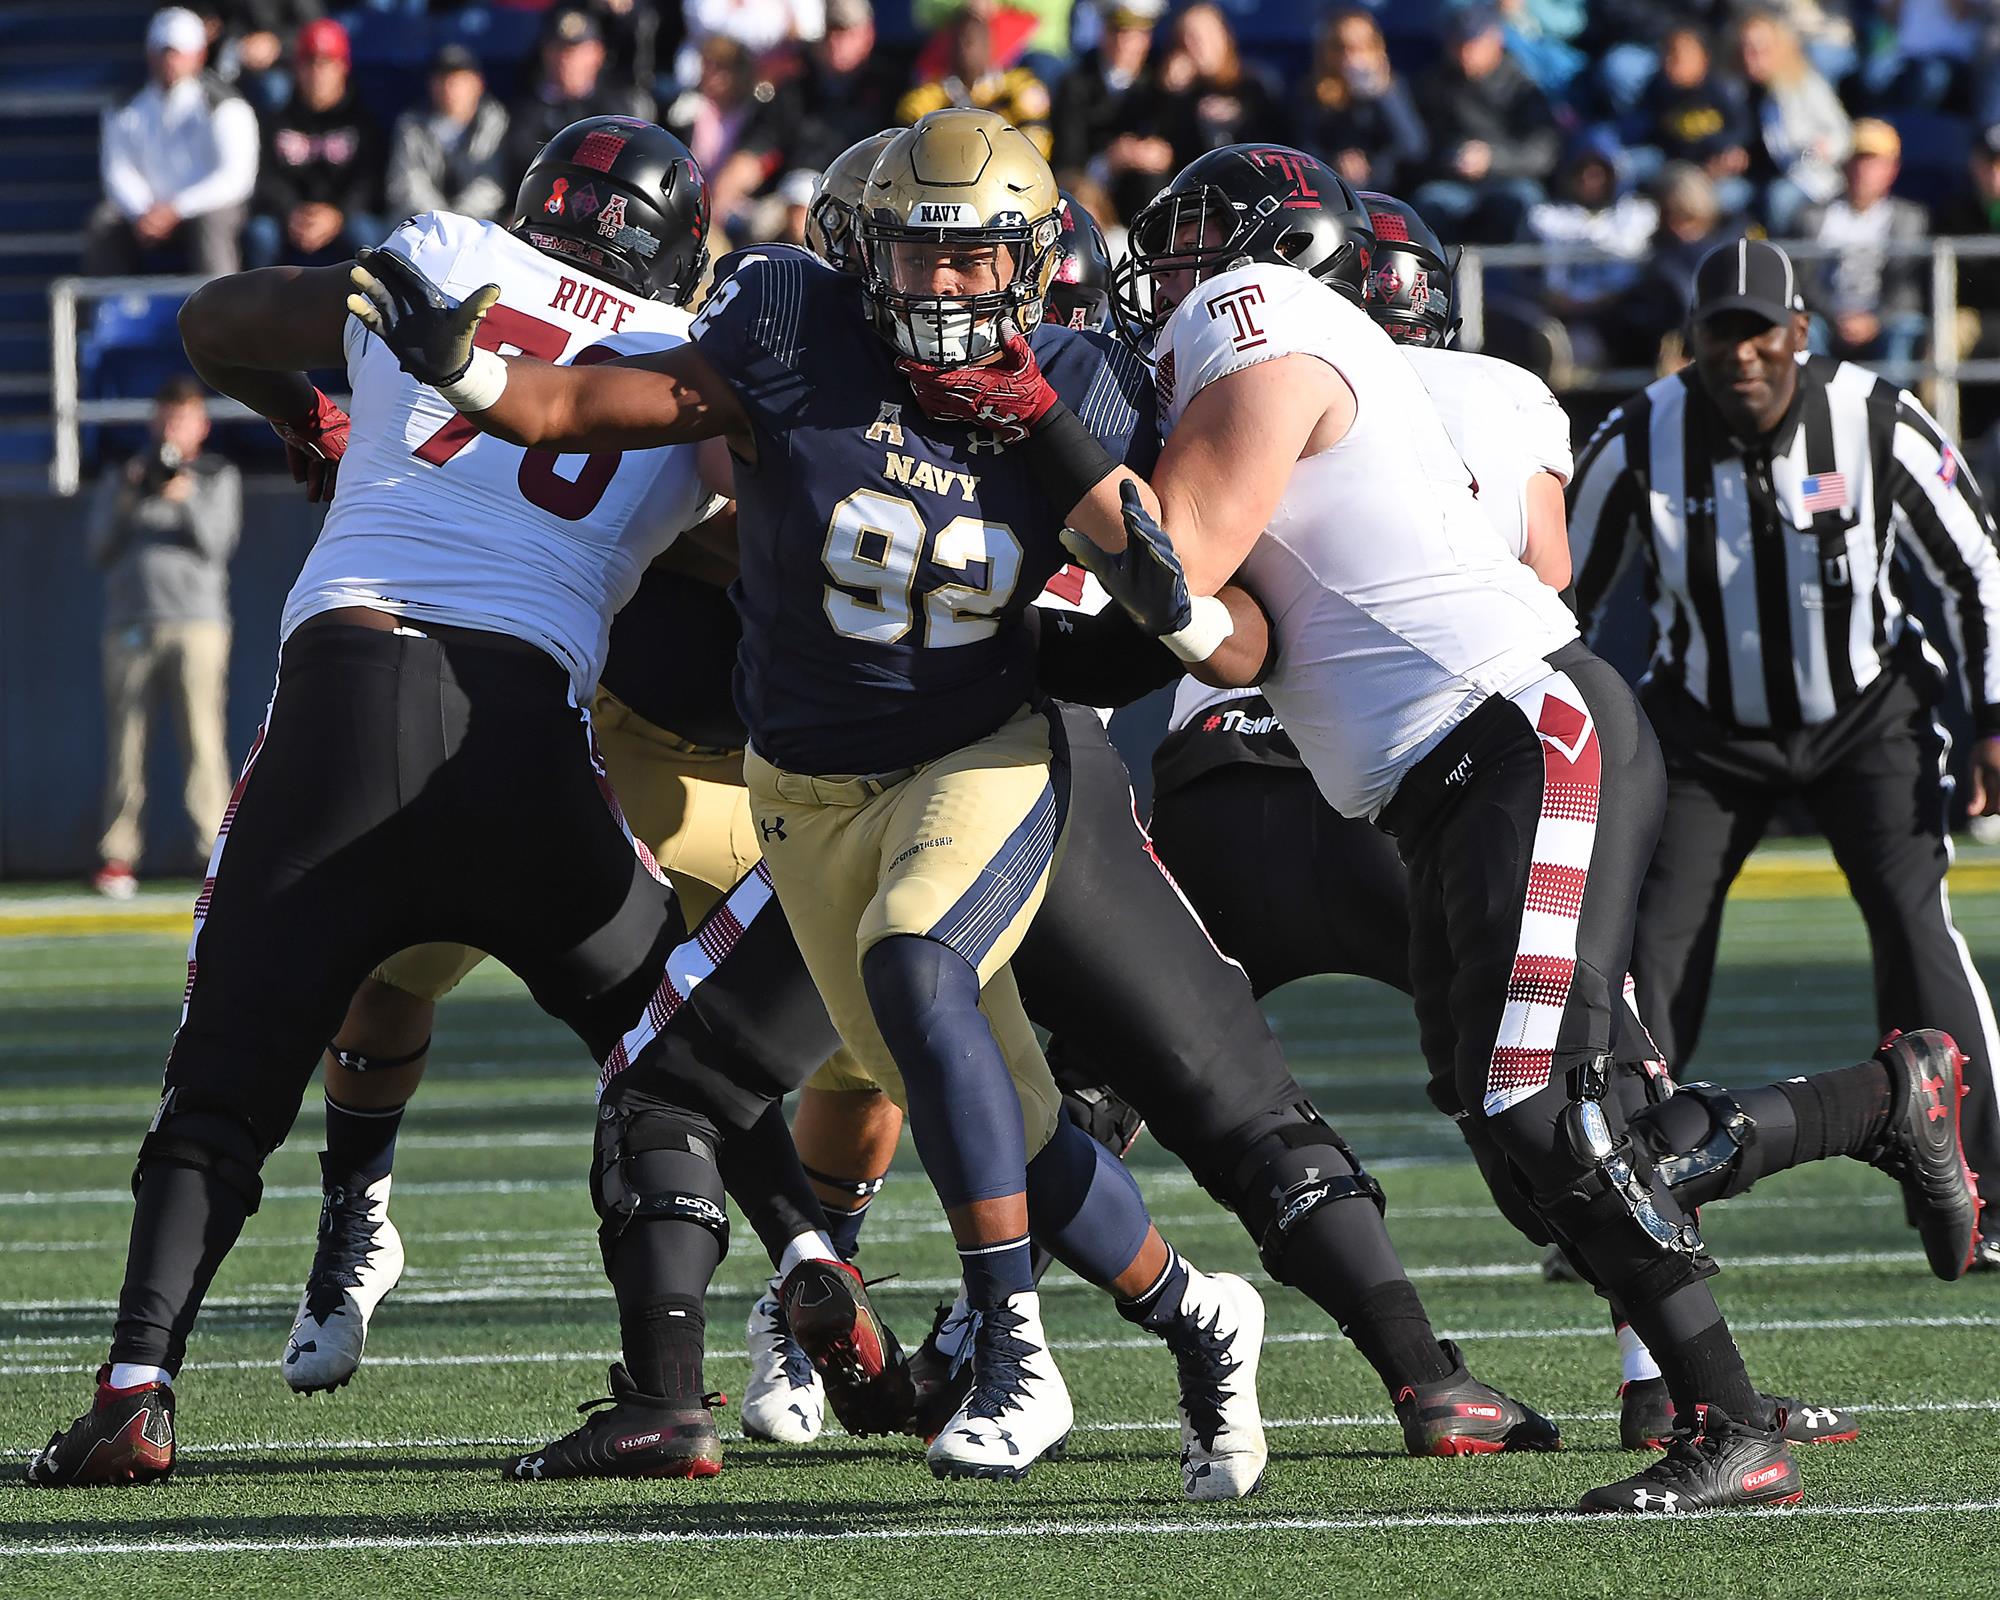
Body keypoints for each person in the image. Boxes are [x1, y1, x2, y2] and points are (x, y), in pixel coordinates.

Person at [343, 108, 1278, 1493]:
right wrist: (469, 369)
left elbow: (1230, 632)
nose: (943, 287)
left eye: (973, 262)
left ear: (1029, 262)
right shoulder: (790, 323)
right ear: (863, 252)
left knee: (918, 959)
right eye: (916, 256)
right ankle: (1199, 1314)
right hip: (804, 787)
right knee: (995, 1113)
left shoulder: (1074, 381)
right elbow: (590, 408)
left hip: (976, 758)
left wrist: (1142, 573)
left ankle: (1017, 1351)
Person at [1058, 144, 1980, 1512]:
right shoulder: (1251, 372)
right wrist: (1045, 652)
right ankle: (1877, 1099)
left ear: (1274, 251)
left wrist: (1036, 453)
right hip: (1454, 771)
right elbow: (1233, 636)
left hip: (1513, 735)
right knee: (1529, 1132)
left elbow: (1176, 552)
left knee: (1530, 1105)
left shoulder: (1255, 314)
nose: (1171, 271)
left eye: (1195, 241)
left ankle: (1725, 1422)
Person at [25, 118, 880, 1491]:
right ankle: (800, 1273)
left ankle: (137, 1386)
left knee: (222, 1086)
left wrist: (311, 413)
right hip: (520, 740)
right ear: (680, 246)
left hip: (344, 704)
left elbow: (215, 317)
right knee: (674, 1048)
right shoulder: (689, 366)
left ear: (540, 203)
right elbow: (763, 552)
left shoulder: (444, 254)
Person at [1569, 237, 2000, 1262]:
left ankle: (1979, 1191)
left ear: (1798, 335)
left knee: (1913, 926)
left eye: (1759, 331)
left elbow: (1976, 567)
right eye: (1719, 333)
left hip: (1866, 716)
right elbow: (1554, 594)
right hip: (1703, 731)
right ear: (1691, 343)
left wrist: (1992, 715)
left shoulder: (1874, 420)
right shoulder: (1639, 434)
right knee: (1644, 952)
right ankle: (1617, 1190)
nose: (1741, 355)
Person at [88, 376, 241, 900]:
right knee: (125, 744)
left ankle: (213, 855)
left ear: (202, 425)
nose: (174, 429)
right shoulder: (124, 475)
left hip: (198, 624)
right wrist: (134, 494)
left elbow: (218, 543)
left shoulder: (217, 476)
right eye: (167, 418)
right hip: (130, 623)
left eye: (184, 419)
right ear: (155, 421)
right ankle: (118, 857)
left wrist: (185, 497)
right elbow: (99, 547)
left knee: (203, 741)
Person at [89, 6, 260, 275]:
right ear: (150, 54)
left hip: (204, 208)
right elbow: (118, 171)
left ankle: (220, 309)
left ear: (199, 54)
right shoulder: (124, 107)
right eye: (163, 51)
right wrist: (145, 212)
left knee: (212, 222)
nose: (170, 61)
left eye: (178, 52)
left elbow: (235, 179)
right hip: (146, 213)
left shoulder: (227, 106)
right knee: (105, 222)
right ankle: (107, 312)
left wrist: (177, 209)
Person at [1411, 5, 1559, 244]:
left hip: (1510, 179)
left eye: (1473, 42)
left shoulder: (1522, 86)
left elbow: (1543, 153)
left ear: (1495, 39)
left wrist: (1492, 159)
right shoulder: (1435, 85)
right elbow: (1420, 148)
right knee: (1430, 203)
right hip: (1454, 184)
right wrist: (1452, 157)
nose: (1465, 52)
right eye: (1457, 43)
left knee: (1521, 201)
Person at [245, 18, 382, 269]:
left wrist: (338, 215)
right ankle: (263, 308)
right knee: (261, 233)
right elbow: (266, 177)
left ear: (343, 67)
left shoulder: (362, 121)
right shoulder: (277, 119)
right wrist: (291, 212)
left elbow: (369, 181)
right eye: (309, 62)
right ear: (297, 68)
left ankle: (369, 308)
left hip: (342, 216)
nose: (317, 73)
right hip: (290, 217)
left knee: (366, 235)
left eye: (326, 62)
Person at [1800, 119, 1930, 370]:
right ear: (1846, 165)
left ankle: (1892, 407)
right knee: (1805, 327)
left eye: (1874, 162)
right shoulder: (1813, 216)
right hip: (1827, 318)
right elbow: (1805, 280)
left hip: (1884, 320)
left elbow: (1907, 285)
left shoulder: (1911, 219)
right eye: (1859, 160)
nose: (1864, 170)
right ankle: (1815, 406)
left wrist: (1875, 320)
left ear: (1893, 169)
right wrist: (1835, 317)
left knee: (1906, 326)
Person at [506, 9, 652, 189]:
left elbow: (626, 161)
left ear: (597, 53)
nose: (566, 60)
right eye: (558, 49)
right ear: (546, 52)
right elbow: (519, 159)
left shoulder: (618, 106)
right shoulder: (524, 107)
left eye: (576, 51)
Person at [1737, 8, 1850, 234]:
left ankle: (1778, 261)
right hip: (1757, 176)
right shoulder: (1740, 90)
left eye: (1760, 50)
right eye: (1746, 50)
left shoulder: (1804, 84)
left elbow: (1841, 134)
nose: (1752, 58)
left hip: (1808, 178)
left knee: (1780, 198)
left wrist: (1820, 150)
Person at [1292, 9, 1427, 196]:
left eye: (1362, 47)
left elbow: (1413, 147)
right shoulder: (1312, 93)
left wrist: (1381, 93)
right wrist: (1335, 162)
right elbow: (1302, 149)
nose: (1351, 57)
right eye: (1340, 47)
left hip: (1389, 192)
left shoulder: (1392, 89)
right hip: (1332, 191)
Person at [896, 8, 1054, 158]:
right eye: (959, 40)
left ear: (989, 45)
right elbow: (907, 125)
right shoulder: (933, 89)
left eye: (972, 40)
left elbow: (1038, 136)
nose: (965, 48)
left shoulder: (1018, 86)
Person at [386, 47, 513, 224]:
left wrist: (459, 223)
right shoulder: (411, 124)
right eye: (442, 80)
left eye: (459, 80)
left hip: (479, 227)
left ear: (478, 83)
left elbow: (491, 183)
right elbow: (406, 184)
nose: (449, 89)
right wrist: (439, 221)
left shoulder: (496, 121)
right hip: (421, 226)